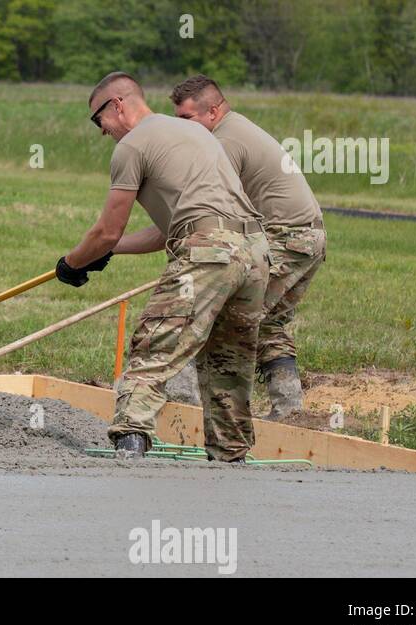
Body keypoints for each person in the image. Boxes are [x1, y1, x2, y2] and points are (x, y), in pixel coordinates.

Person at [55, 72, 270, 462]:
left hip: (208, 251)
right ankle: (230, 457)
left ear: (117, 105)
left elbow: (106, 230)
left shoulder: (131, 147)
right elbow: (163, 232)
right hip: (254, 252)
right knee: (228, 365)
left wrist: (71, 264)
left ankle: (130, 442)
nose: (102, 131)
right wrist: (111, 252)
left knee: (154, 346)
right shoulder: (197, 134)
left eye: (97, 119)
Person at [170, 74, 327, 420]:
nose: (181, 128)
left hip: (286, 238)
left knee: (211, 307)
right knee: (266, 323)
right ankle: (289, 412)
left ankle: (182, 401)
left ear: (213, 111)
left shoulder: (224, 142)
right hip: (305, 238)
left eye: (186, 119)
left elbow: (211, 212)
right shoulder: (233, 130)